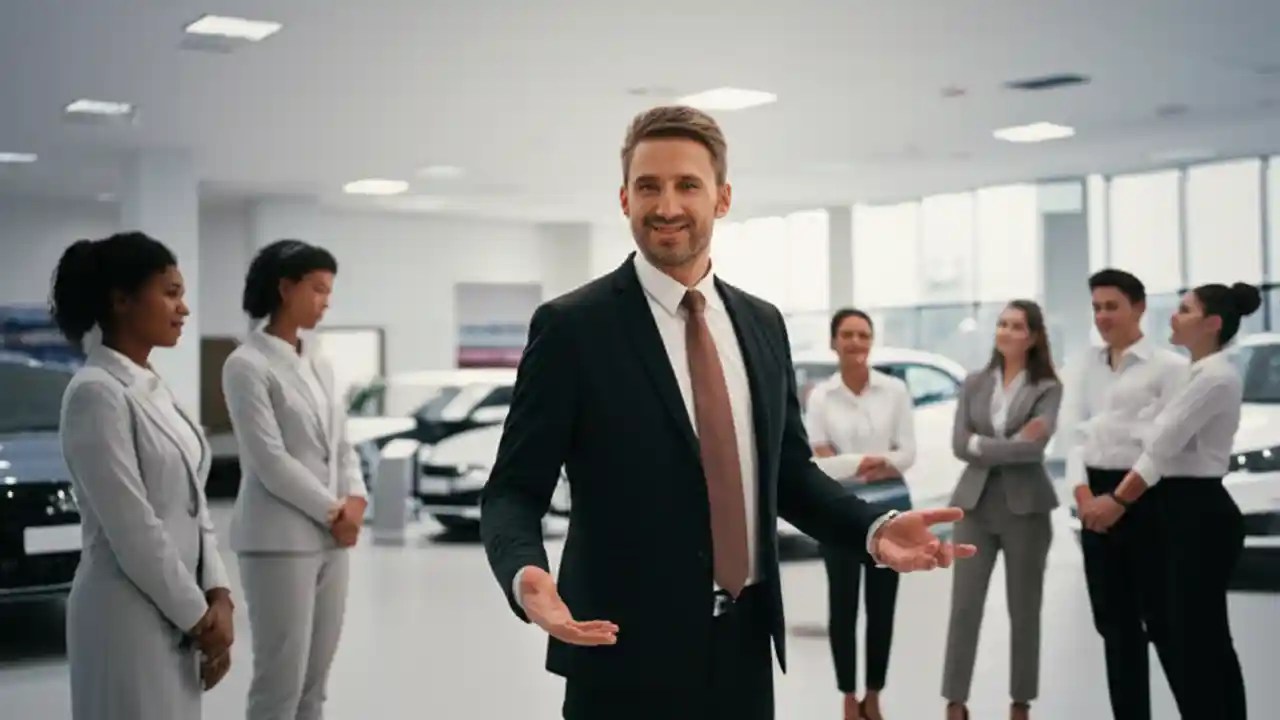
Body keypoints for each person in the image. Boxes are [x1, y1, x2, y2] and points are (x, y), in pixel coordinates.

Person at [478, 104, 976, 720]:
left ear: (722, 197)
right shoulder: (573, 328)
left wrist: (871, 530)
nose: (666, 206)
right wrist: (525, 574)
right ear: (624, 199)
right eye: (648, 186)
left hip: (743, 649)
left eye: (688, 184)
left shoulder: (760, 325)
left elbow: (790, 475)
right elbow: (513, 490)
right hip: (618, 652)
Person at [52, 232, 234, 719]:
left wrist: (220, 594)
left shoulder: (151, 386)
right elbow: (133, 529)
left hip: (181, 611)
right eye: (170, 293)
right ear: (122, 300)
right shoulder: (96, 393)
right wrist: (200, 619)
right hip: (125, 617)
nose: (184, 308)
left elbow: (195, 505)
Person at [1079, 281, 1259, 720]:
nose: (1174, 317)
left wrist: (1116, 502)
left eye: (1185, 310)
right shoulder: (1199, 373)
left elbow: (1159, 445)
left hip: (1196, 512)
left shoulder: (1214, 376)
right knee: (1197, 638)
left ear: (1213, 323)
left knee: (1196, 641)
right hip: (1179, 510)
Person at [221, 239, 368, 720]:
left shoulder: (319, 364)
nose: (326, 301)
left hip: (332, 538)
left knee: (314, 684)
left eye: (329, 291)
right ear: (285, 289)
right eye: (318, 289)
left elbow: (341, 443)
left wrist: (356, 500)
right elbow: (269, 460)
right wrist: (334, 510)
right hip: (278, 540)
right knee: (279, 683)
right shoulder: (246, 364)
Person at [1056, 269, 1187, 720]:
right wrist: (1085, 497)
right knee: (1115, 628)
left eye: (1112, 306)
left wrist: (1120, 501)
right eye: (1096, 307)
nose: (1102, 316)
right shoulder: (1083, 365)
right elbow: (1072, 436)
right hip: (1093, 501)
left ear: (1139, 307)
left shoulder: (1169, 368)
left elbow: (1165, 447)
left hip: (1146, 500)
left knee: (1166, 626)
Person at [941, 300, 1062, 720]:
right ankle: (955, 702)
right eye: (1002, 324)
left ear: (1031, 337)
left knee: (1024, 608)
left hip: (1027, 509)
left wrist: (982, 446)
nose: (1006, 332)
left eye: (1016, 326)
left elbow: (1034, 448)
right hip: (973, 506)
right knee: (964, 605)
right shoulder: (974, 383)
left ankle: (1020, 704)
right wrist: (1005, 445)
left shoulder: (1047, 387)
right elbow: (959, 444)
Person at [805, 308, 916, 720]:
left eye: (863, 334)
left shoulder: (895, 392)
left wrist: (848, 461)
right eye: (847, 334)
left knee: (882, 606)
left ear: (872, 341)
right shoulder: (821, 396)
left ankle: (874, 693)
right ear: (834, 342)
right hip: (836, 512)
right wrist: (871, 461)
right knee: (843, 606)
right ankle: (848, 697)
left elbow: (908, 454)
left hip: (891, 510)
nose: (855, 342)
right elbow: (817, 460)